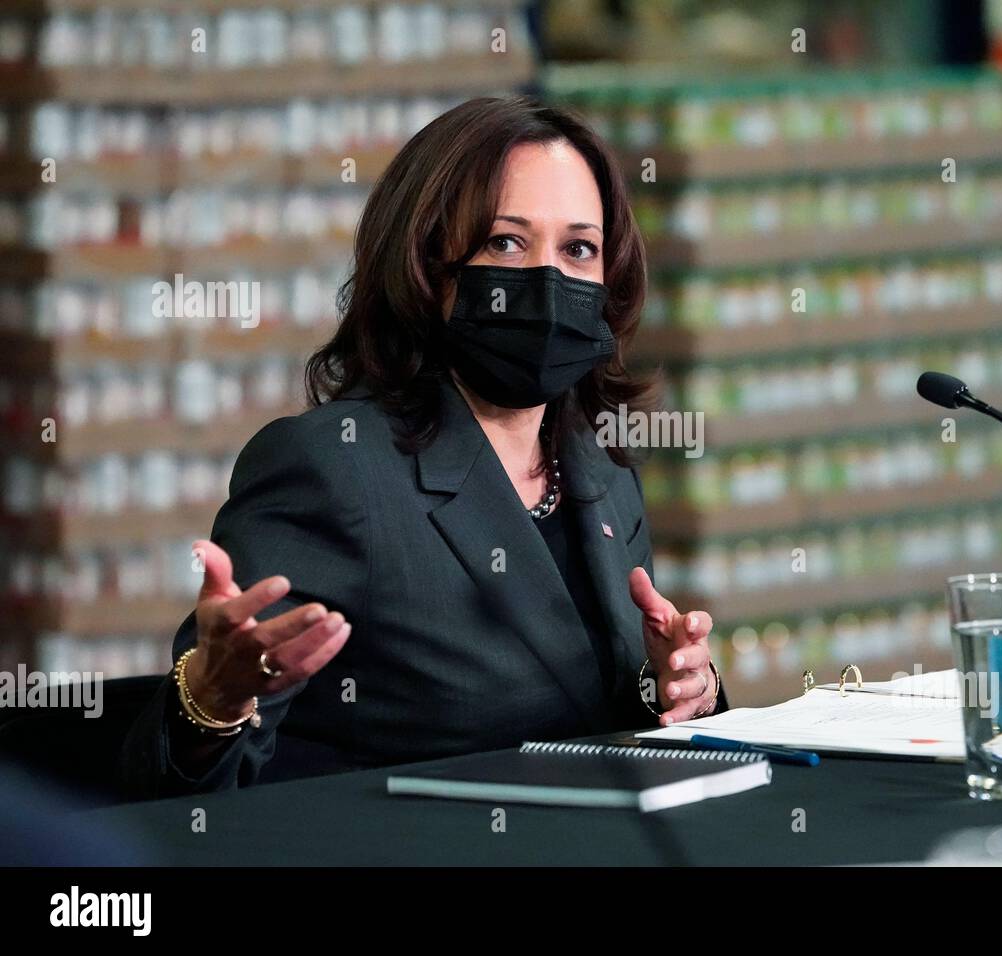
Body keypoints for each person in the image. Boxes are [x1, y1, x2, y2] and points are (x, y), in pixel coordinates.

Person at [118, 95, 727, 799]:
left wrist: (680, 687)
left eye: (578, 249)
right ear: (424, 264)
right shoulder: (334, 469)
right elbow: (175, 787)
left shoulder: (601, 471)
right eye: (505, 242)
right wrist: (212, 703)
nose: (549, 281)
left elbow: (608, 725)